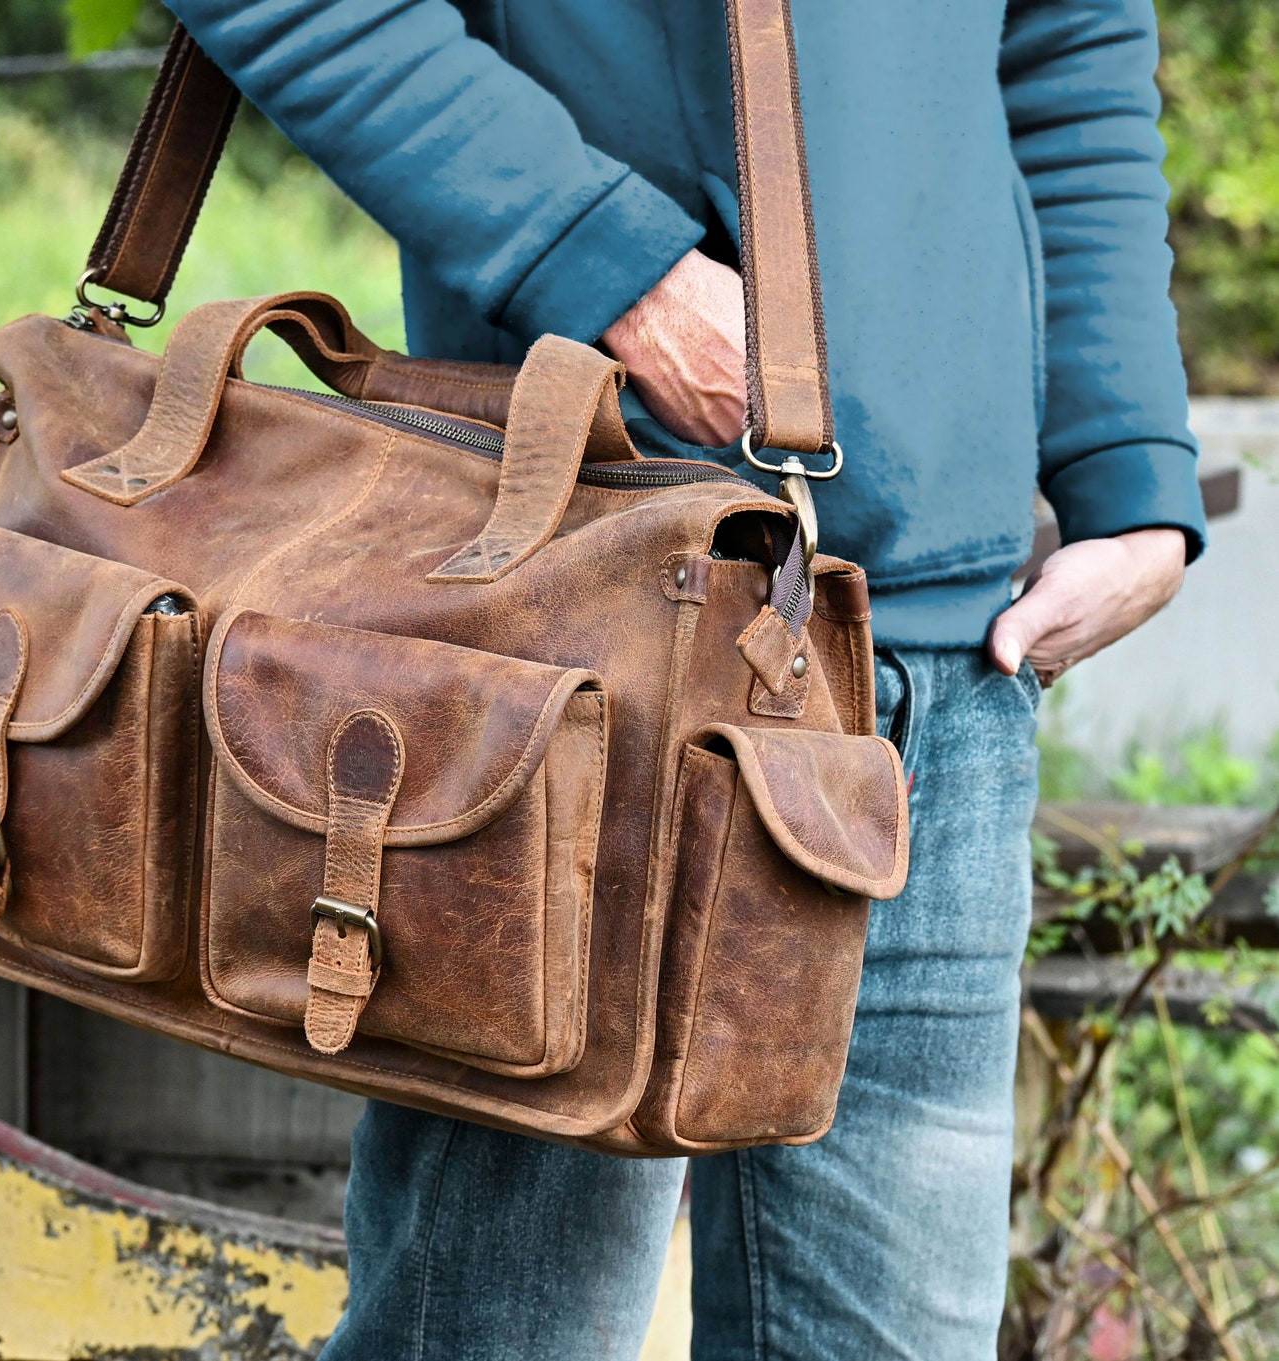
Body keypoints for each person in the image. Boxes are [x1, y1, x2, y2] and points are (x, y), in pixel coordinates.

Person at [162, 1, 1205, 1355]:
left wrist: (1127, 462)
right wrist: (617, 272)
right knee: (503, 1327)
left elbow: (1068, 36)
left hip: (941, 656)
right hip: (584, 626)